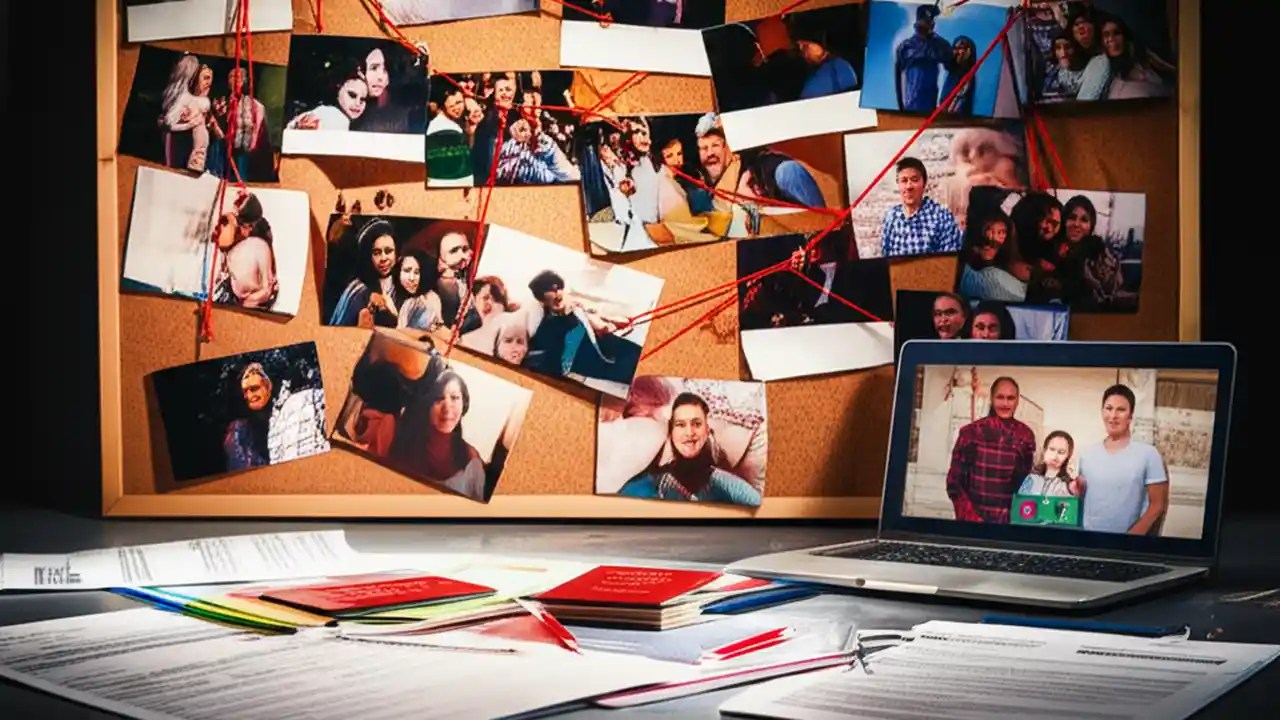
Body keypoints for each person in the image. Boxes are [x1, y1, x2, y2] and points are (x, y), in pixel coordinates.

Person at [617, 393, 762, 506]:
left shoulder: (725, 484)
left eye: (696, 424)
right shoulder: (646, 485)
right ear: (671, 431)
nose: (689, 432)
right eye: (680, 425)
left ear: (707, 430)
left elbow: (756, 504)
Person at [388, 358, 488, 501]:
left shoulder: (471, 460)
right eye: (438, 398)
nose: (447, 408)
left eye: (454, 398)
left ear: (464, 404)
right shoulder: (402, 442)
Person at [1078, 384, 1169, 535]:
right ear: (1102, 411)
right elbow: (1082, 498)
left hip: (1128, 546)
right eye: (1108, 408)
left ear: (1131, 415)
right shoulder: (1087, 454)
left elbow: (1158, 505)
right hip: (1089, 542)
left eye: (1121, 410)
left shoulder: (1148, 454)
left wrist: (1132, 538)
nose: (1113, 416)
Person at [944, 376, 1037, 523]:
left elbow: (1025, 484)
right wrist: (969, 516)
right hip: (972, 521)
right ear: (992, 399)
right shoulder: (971, 433)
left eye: (1010, 398)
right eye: (1000, 397)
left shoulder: (1025, 435)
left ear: (1017, 400)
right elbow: (954, 483)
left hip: (1008, 522)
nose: (1005, 403)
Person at [880, 157, 962, 257]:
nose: (909, 186)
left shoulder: (942, 217)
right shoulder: (891, 217)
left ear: (924, 183)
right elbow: (886, 258)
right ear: (898, 184)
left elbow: (950, 261)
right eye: (904, 180)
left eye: (914, 180)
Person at [210, 192, 279, 310]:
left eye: (224, 223)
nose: (218, 228)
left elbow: (266, 289)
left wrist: (244, 305)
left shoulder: (257, 247)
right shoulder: (225, 252)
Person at [329, 218, 399, 327]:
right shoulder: (358, 291)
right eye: (377, 253)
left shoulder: (400, 286)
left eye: (389, 251)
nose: (384, 258)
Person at [894, 4, 953, 113]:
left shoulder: (939, 45)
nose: (928, 24)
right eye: (925, 20)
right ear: (917, 22)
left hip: (930, 105)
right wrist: (900, 106)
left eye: (931, 21)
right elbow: (897, 77)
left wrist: (932, 38)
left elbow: (949, 60)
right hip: (910, 104)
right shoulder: (905, 46)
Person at [223, 362, 273, 471]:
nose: (249, 396)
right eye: (245, 392)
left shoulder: (274, 416)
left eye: (254, 388)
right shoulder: (238, 429)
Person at [792, 23, 858, 100]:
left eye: (806, 46)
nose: (803, 51)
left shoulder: (838, 67)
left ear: (819, 45)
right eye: (800, 47)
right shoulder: (801, 68)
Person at [287, 71, 368, 130]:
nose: (358, 103)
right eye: (352, 95)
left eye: (363, 99)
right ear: (339, 88)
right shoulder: (336, 117)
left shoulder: (322, 112)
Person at [1018, 430, 1085, 497]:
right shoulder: (1031, 478)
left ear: (1068, 456)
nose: (1055, 456)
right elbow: (1020, 503)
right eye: (1052, 449)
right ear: (1044, 450)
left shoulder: (1068, 486)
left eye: (1061, 452)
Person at [940, 36, 977, 115]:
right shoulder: (952, 69)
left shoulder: (968, 76)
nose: (957, 52)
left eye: (960, 48)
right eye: (955, 48)